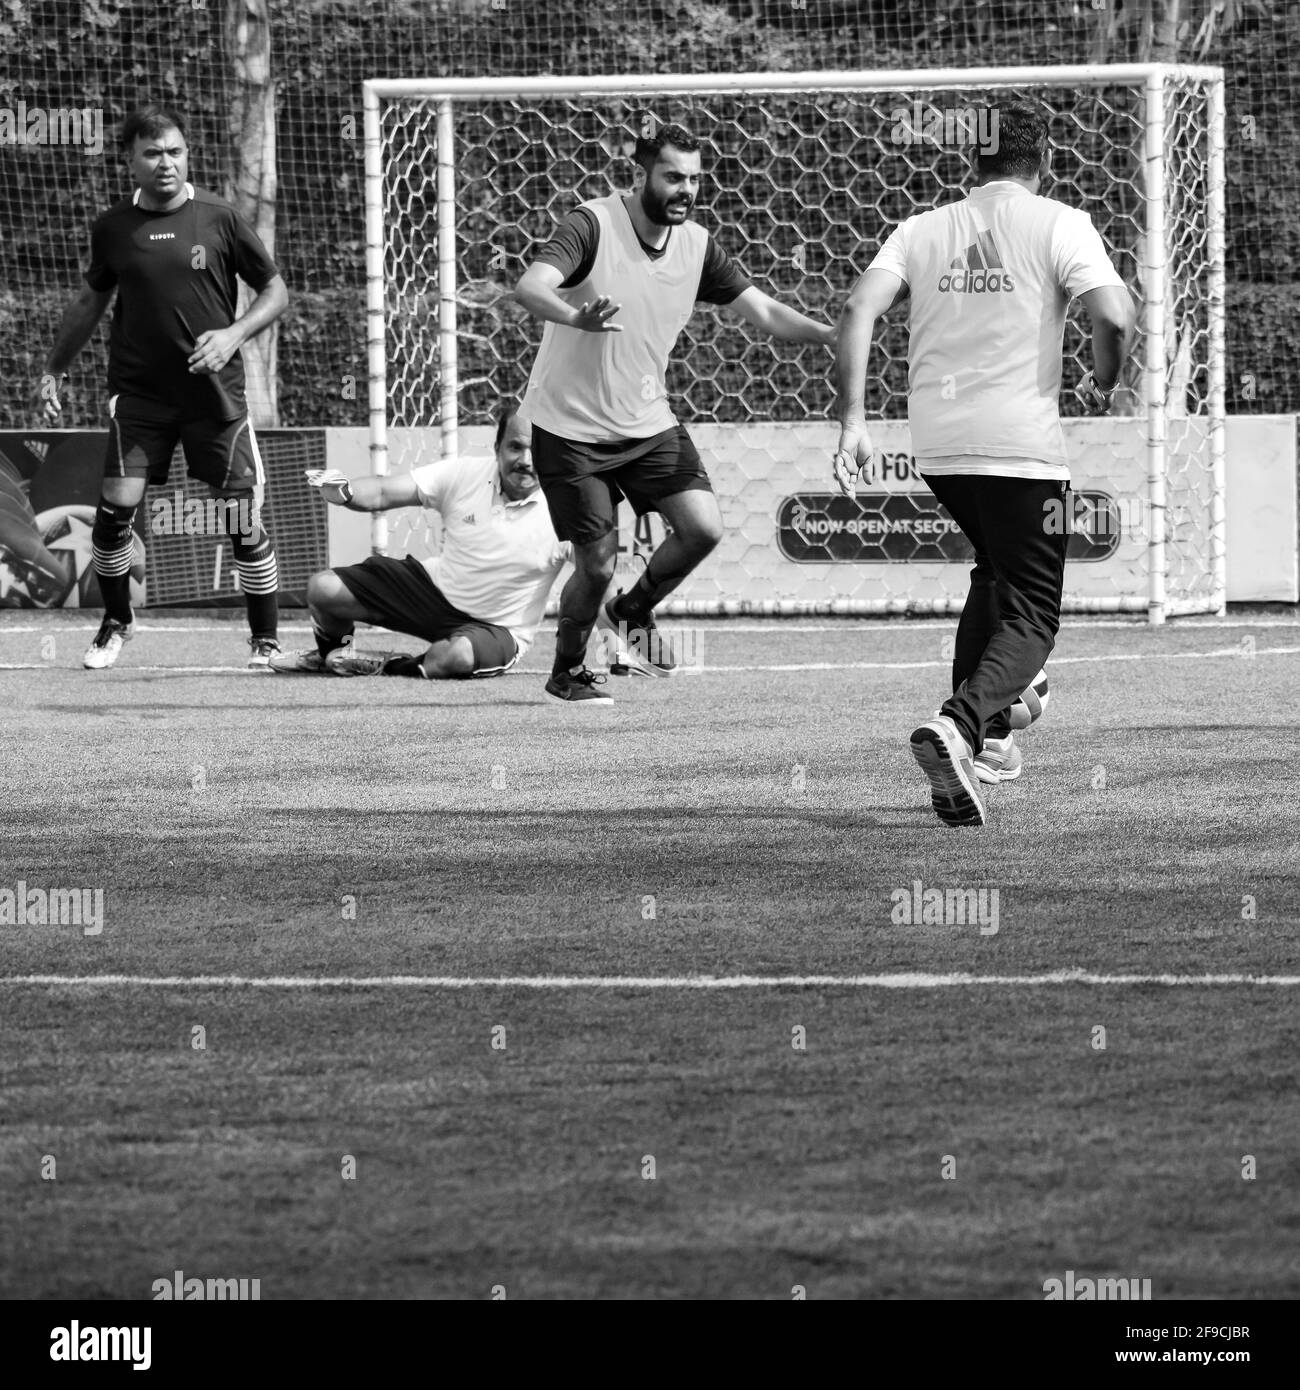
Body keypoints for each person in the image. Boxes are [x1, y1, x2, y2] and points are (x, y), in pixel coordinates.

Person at [833, 102, 1135, 827]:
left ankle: (990, 742)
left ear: (973, 162)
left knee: (994, 573)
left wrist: (852, 421)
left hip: (936, 444)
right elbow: (1116, 317)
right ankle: (963, 723)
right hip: (1021, 446)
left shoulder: (922, 228)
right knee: (1035, 609)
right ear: (1045, 162)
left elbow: (856, 310)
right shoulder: (1061, 222)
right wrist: (1105, 376)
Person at [512, 119, 838, 703]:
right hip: (569, 431)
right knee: (595, 565)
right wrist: (573, 316)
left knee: (703, 527)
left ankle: (633, 611)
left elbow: (763, 312)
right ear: (643, 174)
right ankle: (565, 672)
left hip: (646, 423)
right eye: (672, 177)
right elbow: (531, 286)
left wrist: (829, 334)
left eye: (693, 179)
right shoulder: (593, 224)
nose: (684, 189)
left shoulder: (697, 246)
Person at [38, 104, 289, 670]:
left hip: (215, 398)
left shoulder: (220, 218)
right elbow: (89, 303)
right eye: (152, 153)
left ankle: (266, 642)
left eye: (175, 151)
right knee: (111, 519)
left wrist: (233, 334)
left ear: (187, 155)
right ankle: (116, 624)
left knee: (241, 522)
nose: (166, 163)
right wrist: (54, 366)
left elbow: (275, 291)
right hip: (141, 398)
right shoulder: (113, 228)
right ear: (130, 161)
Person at [271, 408, 571, 679]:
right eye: (515, 447)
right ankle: (332, 656)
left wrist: (614, 645)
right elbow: (382, 492)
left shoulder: (570, 505)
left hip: (497, 629)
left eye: (537, 450)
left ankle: (388, 665)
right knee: (323, 589)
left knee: (456, 657)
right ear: (497, 449)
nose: (526, 460)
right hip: (433, 593)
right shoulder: (465, 473)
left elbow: (599, 577)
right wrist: (346, 492)